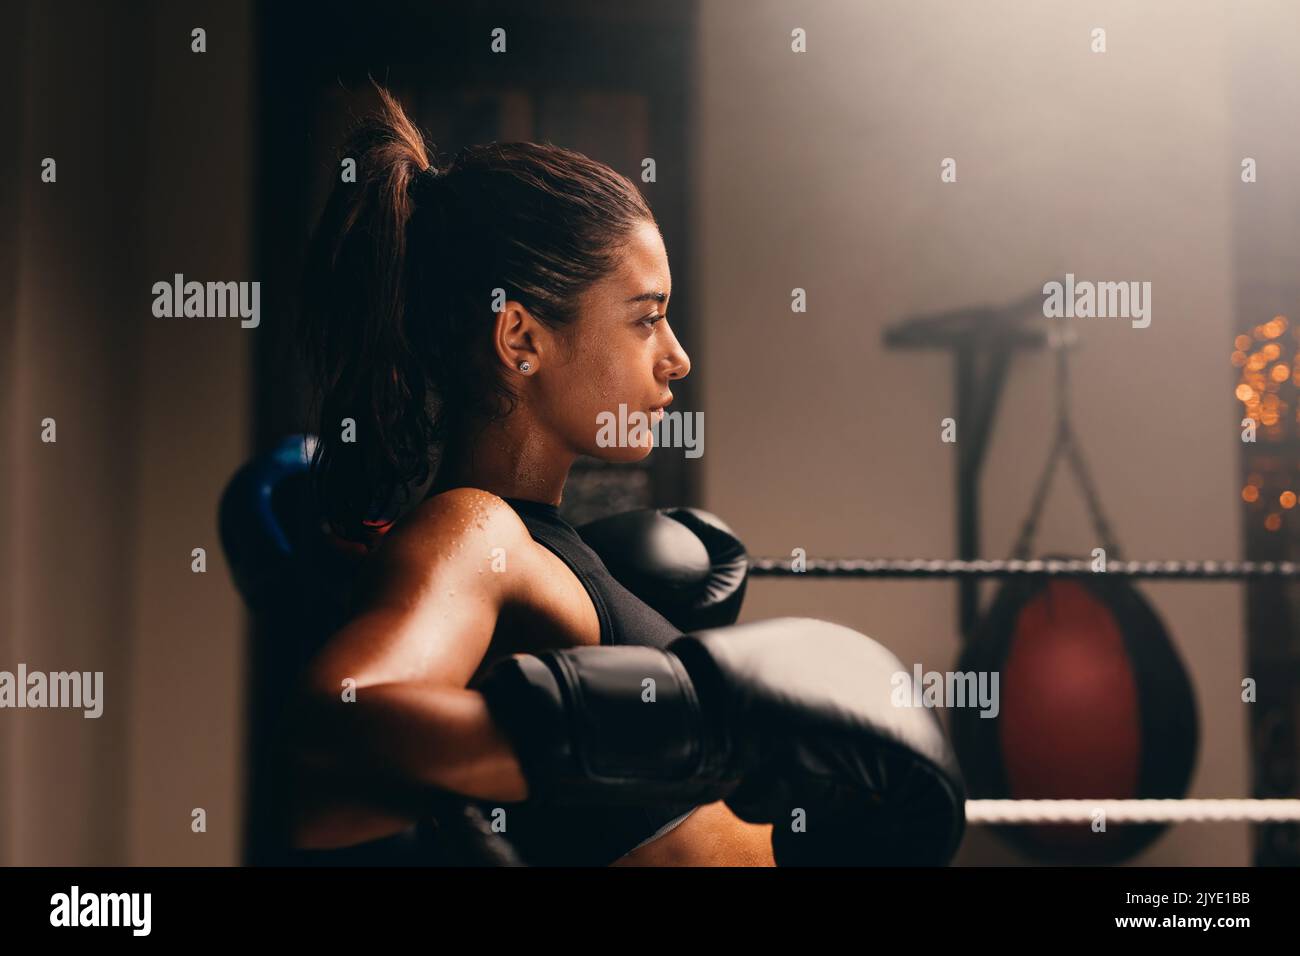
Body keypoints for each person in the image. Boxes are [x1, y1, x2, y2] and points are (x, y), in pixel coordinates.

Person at [285, 83, 964, 867]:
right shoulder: (472, 529)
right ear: (520, 339)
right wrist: (689, 734)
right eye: (645, 318)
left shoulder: (549, 552)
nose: (676, 357)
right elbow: (334, 723)